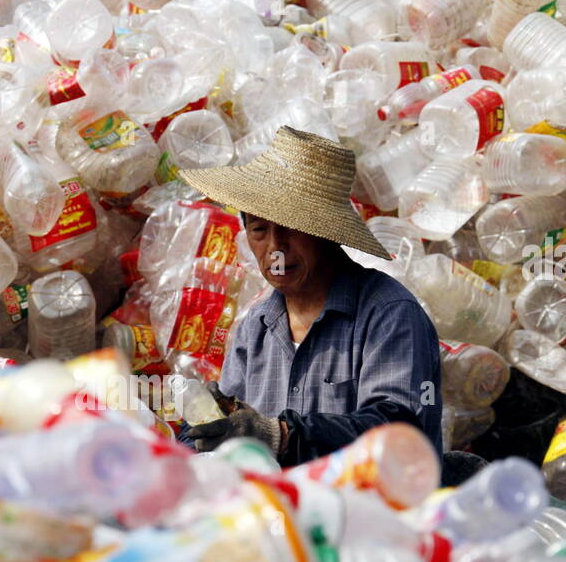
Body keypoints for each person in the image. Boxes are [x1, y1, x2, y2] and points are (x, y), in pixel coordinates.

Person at [175, 126, 443, 467]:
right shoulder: (253, 330)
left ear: (327, 235)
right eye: (259, 229)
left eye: (291, 228)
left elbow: (399, 434)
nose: (274, 248)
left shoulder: (390, 315)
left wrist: (281, 436)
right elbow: (229, 436)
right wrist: (206, 427)